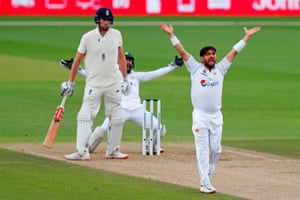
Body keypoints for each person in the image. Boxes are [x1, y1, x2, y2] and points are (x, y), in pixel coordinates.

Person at [160, 22, 261, 194]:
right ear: (202, 58)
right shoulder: (194, 68)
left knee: (215, 150)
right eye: (208, 55)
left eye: (213, 54)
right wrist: (171, 35)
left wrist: (247, 37)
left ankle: (207, 177)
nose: (212, 57)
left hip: (216, 116)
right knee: (202, 149)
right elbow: (182, 52)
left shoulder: (220, 69)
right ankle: (204, 183)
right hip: (200, 116)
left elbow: (234, 53)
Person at [60, 52, 184, 155]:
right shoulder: (112, 75)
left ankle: (149, 147)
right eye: (125, 60)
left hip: (137, 110)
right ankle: (88, 147)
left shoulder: (137, 76)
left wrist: (173, 66)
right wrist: (76, 68)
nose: (128, 63)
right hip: (119, 109)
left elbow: (156, 73)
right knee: (103, 130)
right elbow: (93, 76)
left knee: (159, 128)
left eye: (130, 60)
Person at [61, 7, 129, 161]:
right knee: (85, 116)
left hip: (114, 83)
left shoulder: (117, 34)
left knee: (117, 116)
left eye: (108, 20)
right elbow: (77, 60)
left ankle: (113, 150)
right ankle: (81, 152)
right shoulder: (87, 37)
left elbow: (120, 58)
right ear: (97, 20)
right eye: (103, 19)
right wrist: (70, 82)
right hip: (94, 83)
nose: (106, 22)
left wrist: (125, 79)